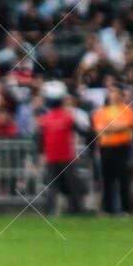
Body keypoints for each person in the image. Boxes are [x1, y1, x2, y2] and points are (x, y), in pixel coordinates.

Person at [35, 81, 85, 215]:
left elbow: (39, 139)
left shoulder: (44, 119)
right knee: (73, 185)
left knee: (52, 186)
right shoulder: (68, 117)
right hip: (67, 157)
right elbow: (81, 131)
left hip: (51, 157)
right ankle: (76, 210)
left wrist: (41, 154)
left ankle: (49, 211)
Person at [92, 83, 133, 215]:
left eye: (116, 92)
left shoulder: (127, 110)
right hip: (106, 148)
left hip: (123, 147)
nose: (113, 95)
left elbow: (126, 126)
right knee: (107, 179)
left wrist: (109, 128)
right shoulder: (101, 112)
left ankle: (126, 209)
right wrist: (115, 128)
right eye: (111, 92)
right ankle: (107, 209)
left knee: (124, 178)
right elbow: (99, 130)